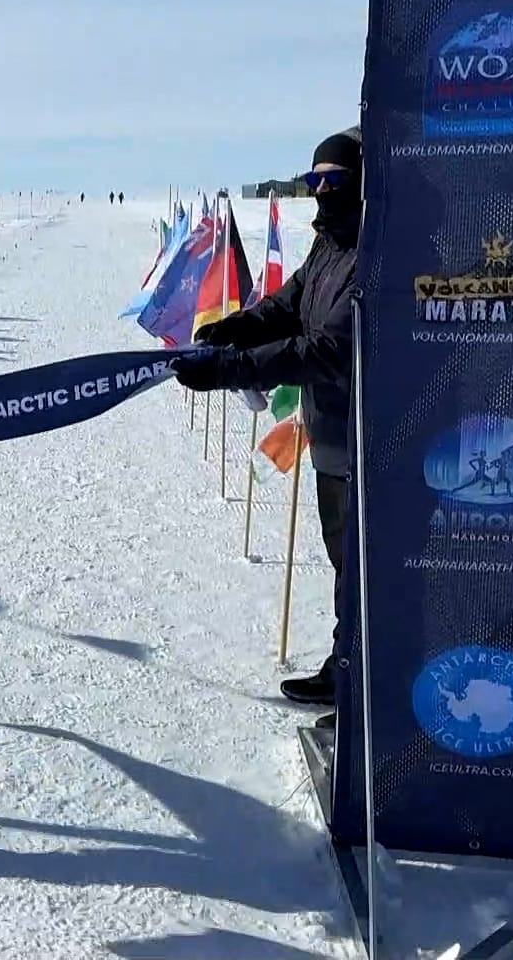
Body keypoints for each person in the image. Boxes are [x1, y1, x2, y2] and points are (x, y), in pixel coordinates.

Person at [171, 127, 361, 726]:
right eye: (314, 180)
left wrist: (231, 369)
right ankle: (346, 670)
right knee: (346, 571)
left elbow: (329, 349)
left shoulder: (375, 253)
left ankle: (363, 697)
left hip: (368, 446)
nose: (322, 191)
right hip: (331, 442)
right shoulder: (328, 246)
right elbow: (286, 308)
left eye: (335, 180)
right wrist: (234, 329)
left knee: (365, 578)